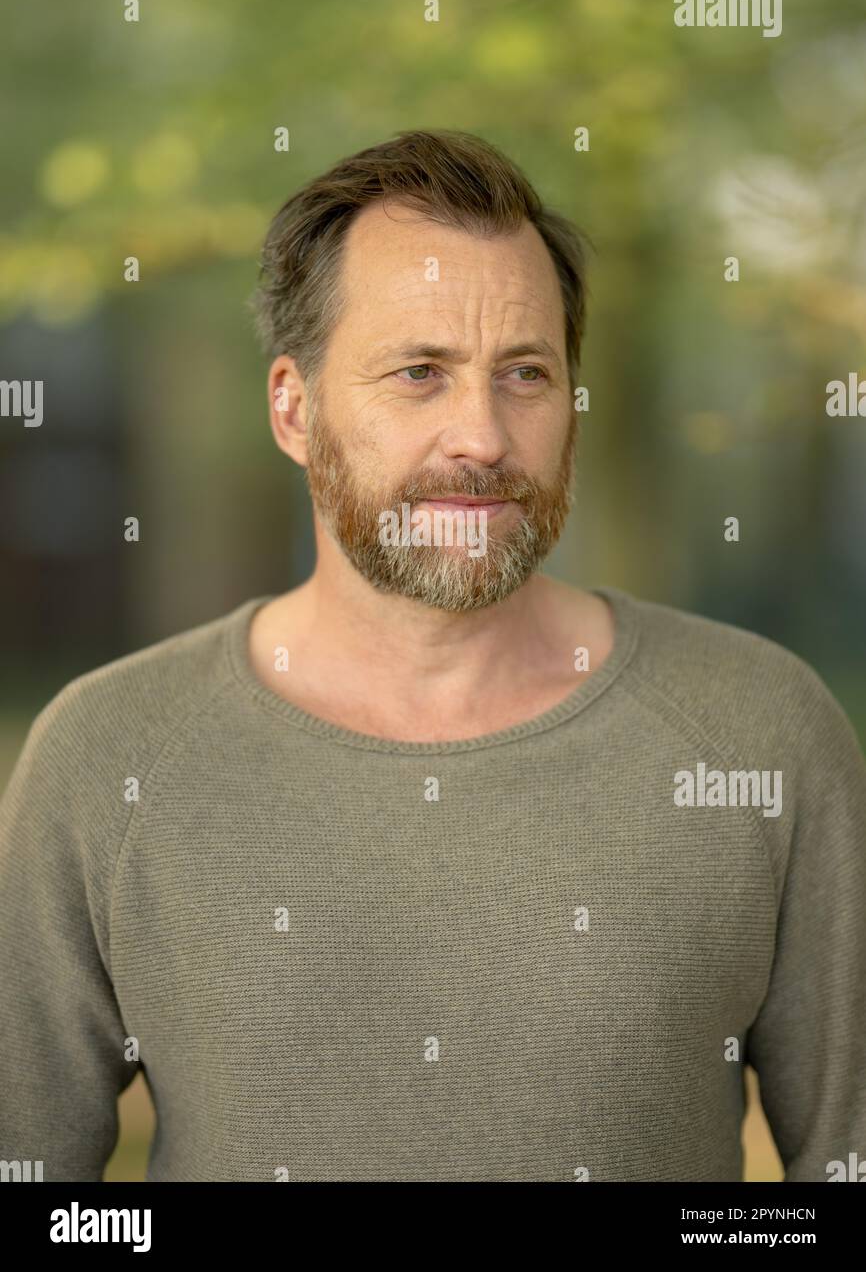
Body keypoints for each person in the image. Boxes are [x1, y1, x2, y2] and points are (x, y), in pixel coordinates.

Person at [1, 130, 864, 1182]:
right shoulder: (105, 757)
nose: (483, 436)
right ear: (292, 407)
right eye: (419, 372)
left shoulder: (760, 734)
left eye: (525, 374)